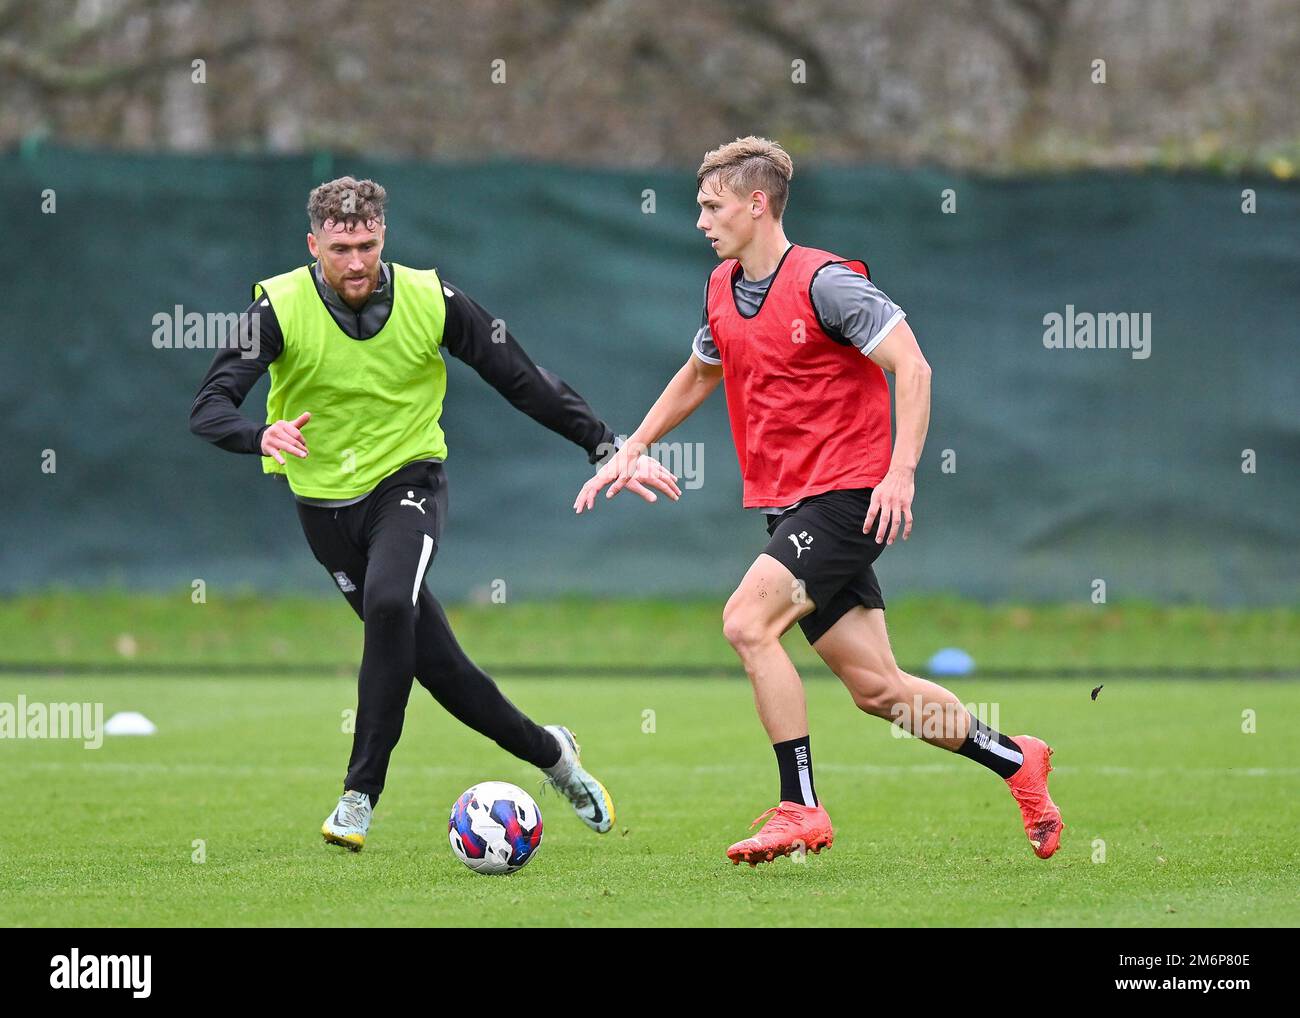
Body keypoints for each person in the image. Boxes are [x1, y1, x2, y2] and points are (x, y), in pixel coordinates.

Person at [574, 137, 1063, 865]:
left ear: (757, 204)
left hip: (849, 495)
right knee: (878, 688)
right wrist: (636, 443)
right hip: (791, 503)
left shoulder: (826, 283)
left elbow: (913, 366)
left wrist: (901, 472)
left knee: (746, 624)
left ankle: (800, 808)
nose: (702, 221)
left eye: (713, 206)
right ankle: (1017, 761)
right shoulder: (722, 286)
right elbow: (701, 371)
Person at [190, 176, 679, 850]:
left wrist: (603, 444)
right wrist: (259, 435)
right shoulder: (276, 308)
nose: (355, 262)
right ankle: (553, 755)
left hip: (408, 486)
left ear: (382, 236)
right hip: (324, 510)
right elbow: (208, 407)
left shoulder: (432, 298)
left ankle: (359, 795)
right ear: (314, 245)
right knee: (441, 669)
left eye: (365, 245)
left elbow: (521, 378)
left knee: (392, 603)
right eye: (340, 248)